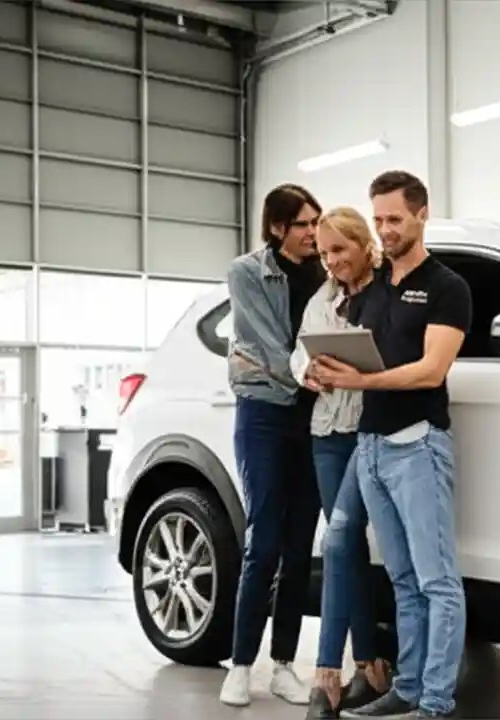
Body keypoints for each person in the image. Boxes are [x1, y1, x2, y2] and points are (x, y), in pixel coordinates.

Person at [309, 170, 471, 719]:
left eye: (394, 219)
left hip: (417, 445)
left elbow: (430, 370)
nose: (385, 229)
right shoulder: (372, 292)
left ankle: (435, 702)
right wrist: (322, 371)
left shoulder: (448, 286)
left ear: (422, 214)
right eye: (378, 219)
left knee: (437, 582)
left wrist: (359, 382)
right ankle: (405, 689)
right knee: (402, 580)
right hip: (372, 448)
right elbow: (358, 357)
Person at [220, 183, 327, 707]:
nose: (313, 232)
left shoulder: (327, 276)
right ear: (278, 227)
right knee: (263, 539)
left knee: (299, 543)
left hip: (313, 415)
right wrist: (322, 374)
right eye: (304, 223)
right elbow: (269, 345)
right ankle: (240, 665)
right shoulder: (247, 272)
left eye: (317, 222)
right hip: (264, 411)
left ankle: (284, 663)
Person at [288, 206, 394, 719]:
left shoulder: (384, 293)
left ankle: (326, 675)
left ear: (363, 245)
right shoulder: (323, 299)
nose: (331, 262)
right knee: (344, 543)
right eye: (325, 253)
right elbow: (298, 351)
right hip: (328, 431)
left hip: (370, 431)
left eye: (339, 251)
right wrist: (306, 370)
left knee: (337, 540)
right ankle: (369, 666)